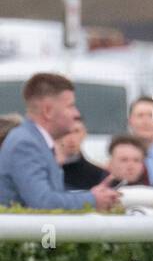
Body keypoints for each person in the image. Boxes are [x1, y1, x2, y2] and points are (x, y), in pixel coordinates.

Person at [0, 73, 119, 210]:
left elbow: (49, 196)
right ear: (48, 111)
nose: (76, 114)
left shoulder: (35, 141)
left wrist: (91, 195)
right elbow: (42, 201)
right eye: (70, 106)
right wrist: (92, 199)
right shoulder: (26, 144)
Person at [57, 116, 108, 190]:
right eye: (65, 132)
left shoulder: (99, 176)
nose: (71, 138)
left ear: (84, 133)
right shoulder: (42, 173)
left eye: (76, 131)